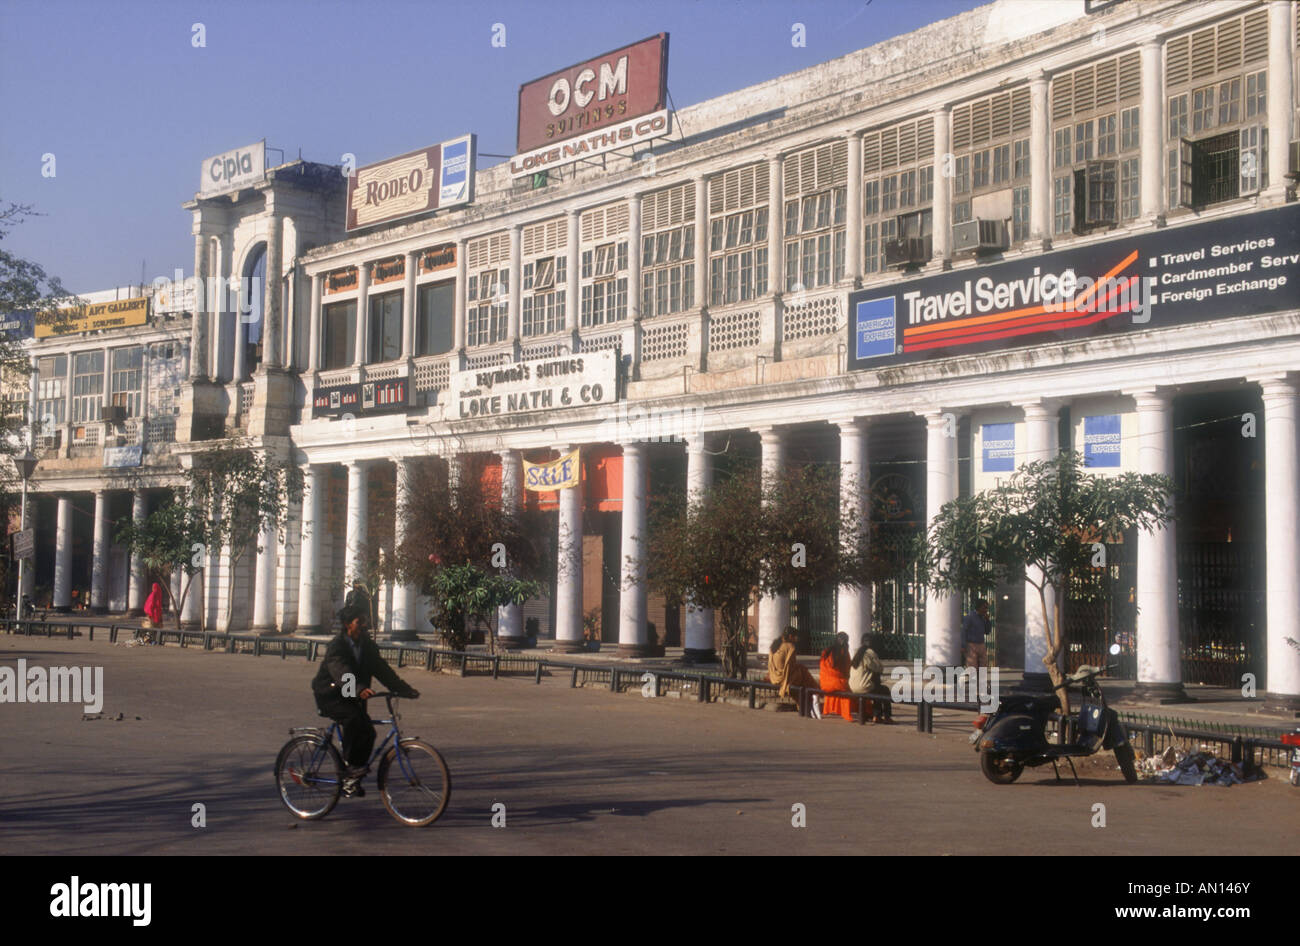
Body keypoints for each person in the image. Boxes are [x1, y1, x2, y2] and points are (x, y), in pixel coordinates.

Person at [311, 601, 419, 797]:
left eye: (365, 621)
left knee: (369, 732)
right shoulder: (337, 646)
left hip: (353, 695)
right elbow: (340, 671)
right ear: (348, 625)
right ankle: (350, 770)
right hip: (331, 695)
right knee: (354, 719)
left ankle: (353, 777)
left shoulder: (366, 645)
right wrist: (359, 688)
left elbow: (381, 669)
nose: (364, 625)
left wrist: (403, 689)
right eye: (359, 621)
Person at [768, 626, 820, 716]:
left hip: (774, 676)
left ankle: (809, 699)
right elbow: (790, 666)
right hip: (783, 677)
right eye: (796, 636)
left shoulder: (775, 645)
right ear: (791, 636)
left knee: (802, 672)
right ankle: (816, 692)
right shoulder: (790, 646)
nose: (797, 638)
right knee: (804, 673)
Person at [849, 634, 893, 723]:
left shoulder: (856, 652)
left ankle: (877, 715)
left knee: (877, 689)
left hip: (852, 686)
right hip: (863, 687)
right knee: (885, 690)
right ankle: (885, 717)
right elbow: (878, 668)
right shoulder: (869, 653)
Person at [818, 632, 855, 722]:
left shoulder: (826, 651)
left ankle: (829, 709)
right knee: (847, 689)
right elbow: (847, 671)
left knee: (839, 684)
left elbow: (822, 667)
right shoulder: (844, 653)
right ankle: (845, 712)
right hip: (837, 683)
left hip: (824, 683)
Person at [962, 599, 992, 669]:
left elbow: (987, 631)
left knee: (983, 665)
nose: (986, 610)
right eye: (984, 607)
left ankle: (981, 680)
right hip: (971, 645)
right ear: (979, 607)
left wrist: (987, 620)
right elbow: (964, 631)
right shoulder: (970, 617)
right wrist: (963, 645)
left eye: (987, 608)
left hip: (981, 644)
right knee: (972, 666)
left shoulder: (983, 618)